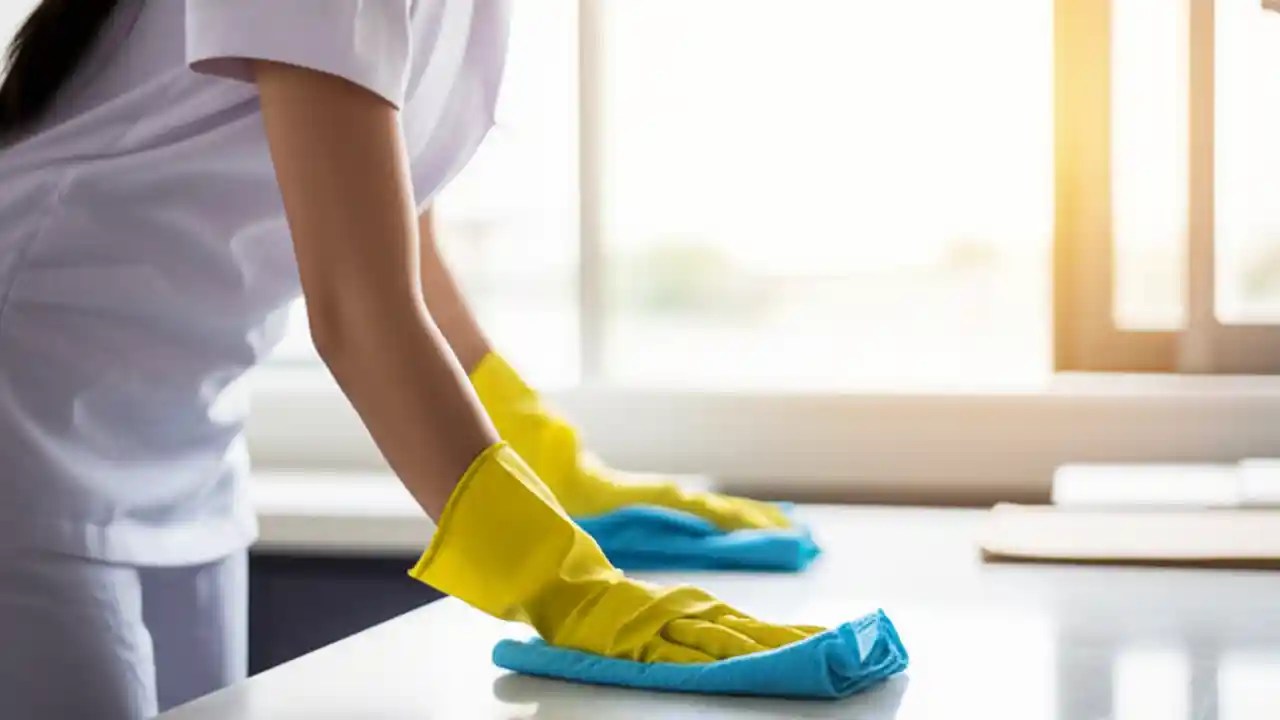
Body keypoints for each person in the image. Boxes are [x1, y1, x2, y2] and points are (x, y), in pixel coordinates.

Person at [0, 2, 818, 718]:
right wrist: (556, 579)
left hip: (184, 438)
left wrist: (550, 462)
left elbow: (398, 246)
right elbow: (359, 311)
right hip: (26, 422)